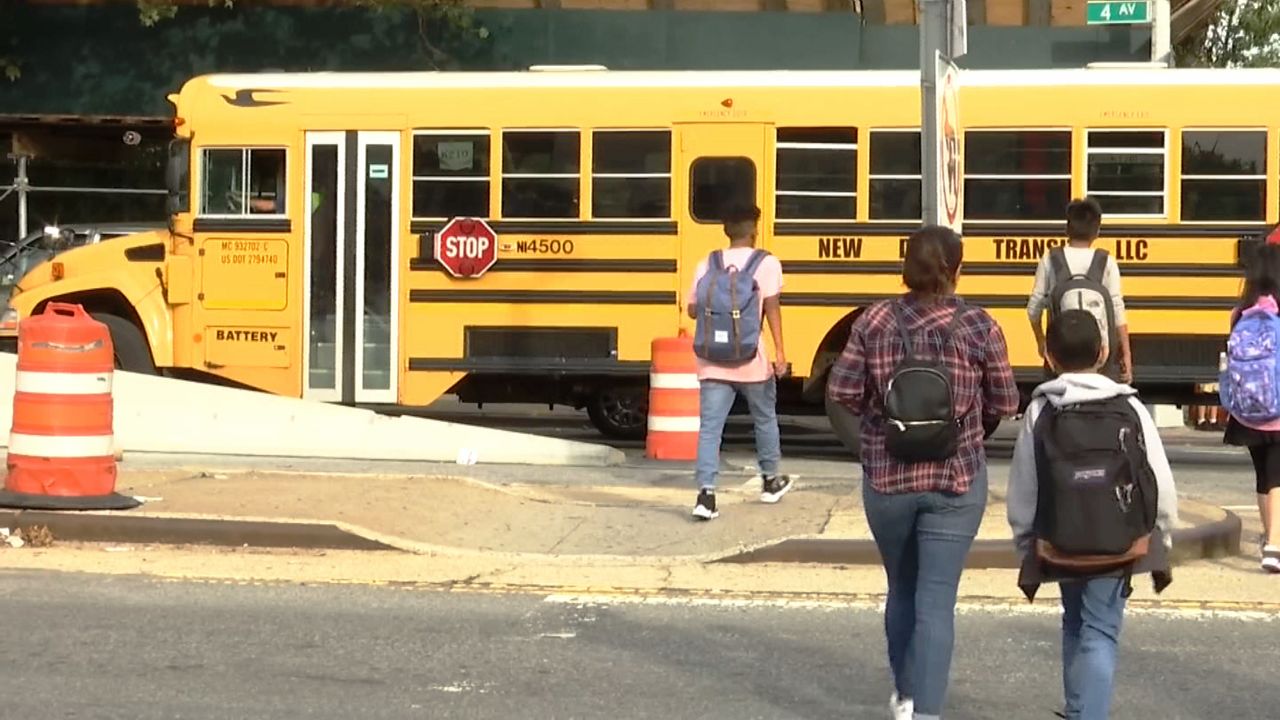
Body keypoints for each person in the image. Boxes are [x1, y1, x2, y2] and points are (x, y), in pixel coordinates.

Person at [827, 225, 1019, 720]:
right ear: (956, 269)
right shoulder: (980, 325)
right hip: (956, 480)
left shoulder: (874, 320)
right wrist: (967, 430)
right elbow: (1004, 401)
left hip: (887, 480)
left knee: (902, 587)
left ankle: (906, 694)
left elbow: (840, 395)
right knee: (936, 599)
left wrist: (868, 452)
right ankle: (926, 713)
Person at [1008, 309, 1177, 719]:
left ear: (1049, 356)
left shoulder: (1041, 410)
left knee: (1074, 621)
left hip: (1061, 539)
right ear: (1103, 352)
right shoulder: (1130, 407)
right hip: (1117, 540)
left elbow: (1024, 486)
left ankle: (1077, 708)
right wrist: (1162, 535)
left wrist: (1025, 543)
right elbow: (1161, 481)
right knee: (1100, 629)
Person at [686, 202, 791, 520]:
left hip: (711, 361)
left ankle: (706, 496)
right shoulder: (767, 263)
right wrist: (781, 354)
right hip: (752, 359)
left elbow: (692, 310)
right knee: (764, 419)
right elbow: (771, 309)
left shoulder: (708, 262)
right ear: (755, 230)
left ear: (725, 230)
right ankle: (770, 481)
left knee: (710, 429)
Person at [1027, 197, 1133, 384]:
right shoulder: (1106, 262)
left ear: (1067, 229)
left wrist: (1042, 342)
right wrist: (1126, 354)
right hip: (1099, 358)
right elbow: (1117, 311)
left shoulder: (1051, 259)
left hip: (1061, 355)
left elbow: (1033, 309)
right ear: (1097, 231)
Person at [1222, 241, 1280, 572]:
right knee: (1278, 476)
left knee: (1264, 475)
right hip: (1278, 408)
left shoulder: (1238, 314)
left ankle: (1268, 537)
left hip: (1247, 411)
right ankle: (1274, 545)